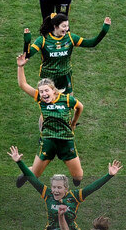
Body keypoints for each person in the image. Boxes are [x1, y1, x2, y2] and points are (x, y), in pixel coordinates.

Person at [15, 53, 84, 186]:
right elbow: (23, 84)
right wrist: (20, 67)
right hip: (48, 140)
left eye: (46, 91)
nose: (44, 94)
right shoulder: (41, 99)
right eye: (41, 92)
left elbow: (80, 107)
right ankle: (26, 172)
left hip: (66, 140)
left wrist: (74, 123)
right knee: (34, 176)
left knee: (78, 177)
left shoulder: (67, 99)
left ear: (53, 91)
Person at [22, 13, 110, 94]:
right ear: (55, 26)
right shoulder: (43, 40)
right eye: (63, 26)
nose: (66, 29)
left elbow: (91, 43)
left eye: (67, 26)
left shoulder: (70, 37)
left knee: (68, 102)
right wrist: (27, 42)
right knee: (50, 103)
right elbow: (28, 55)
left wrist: (104, 31)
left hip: (65, 75)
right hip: (48, 77)